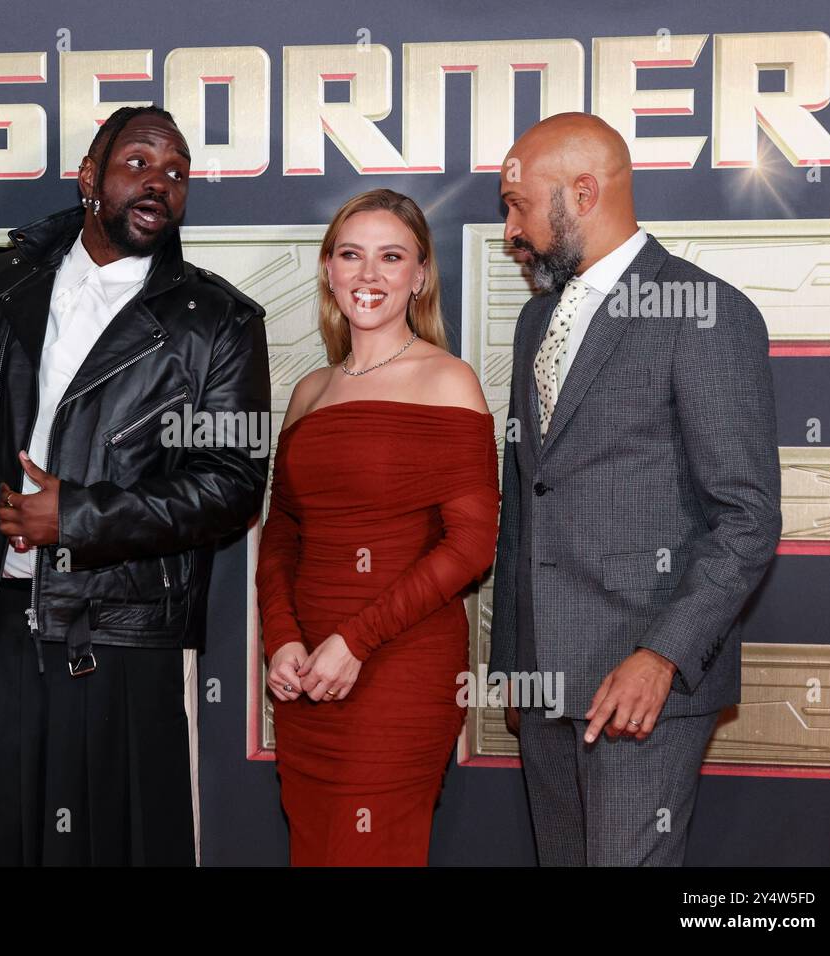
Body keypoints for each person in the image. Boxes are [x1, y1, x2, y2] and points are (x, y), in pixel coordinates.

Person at [0, 105, 271, 866]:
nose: (160, 183)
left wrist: (78, 516)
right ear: (90, 176)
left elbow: (233, 483)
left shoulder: (218, 320)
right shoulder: (3, 280)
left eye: (177, 173)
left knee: (114, 845)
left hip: (121, 630)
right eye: (140, 163)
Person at [488, 112, 782, 866]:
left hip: (641, 686)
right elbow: (527, 502)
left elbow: (746, 518)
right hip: (546, 686)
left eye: (519, 206)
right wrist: (519, 670)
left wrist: (663, 655)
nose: (510, 230)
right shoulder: (535, 322)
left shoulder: (705, 313)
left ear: (582, 193)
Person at [257, 188, 499, 866]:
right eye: (351, 255)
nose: (369, 275)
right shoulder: (310, 390)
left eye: (391, 257)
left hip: (396, 671)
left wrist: (356, 641)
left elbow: (473, 545)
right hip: (306, 677)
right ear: (328, 269)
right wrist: (281, 641)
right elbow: (281, 534)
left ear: (420, 275)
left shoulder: (448, 381)